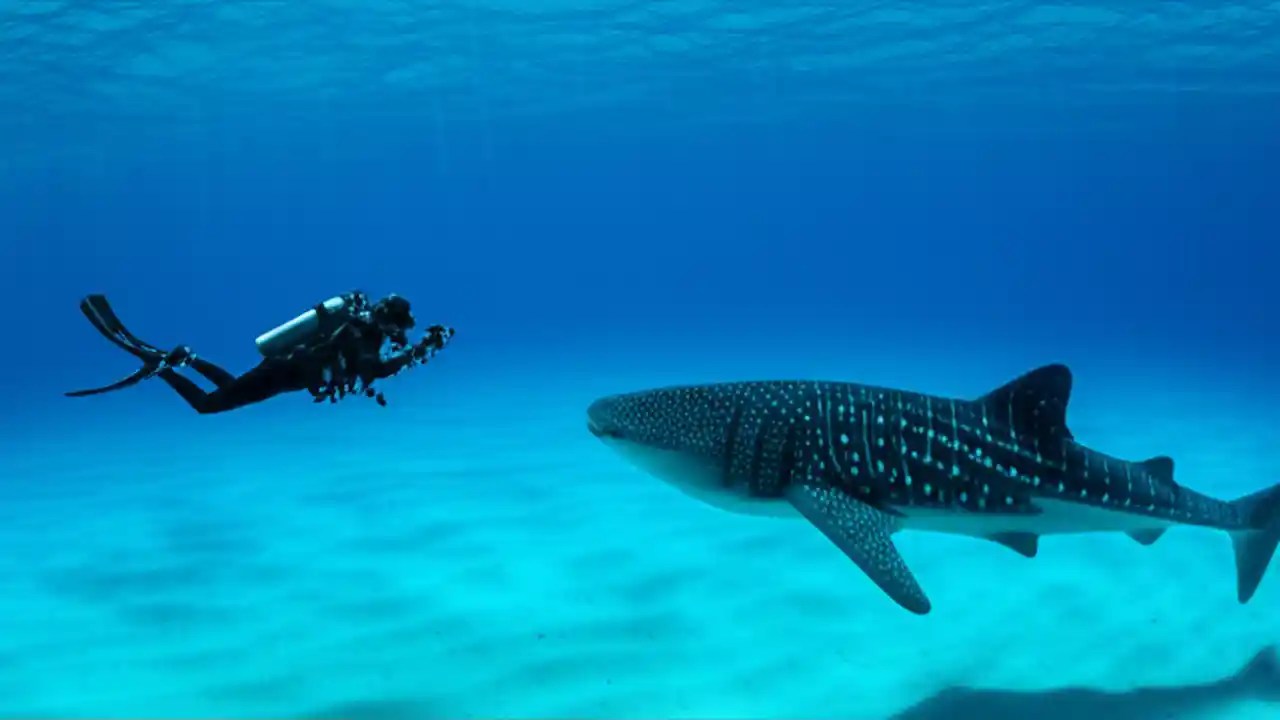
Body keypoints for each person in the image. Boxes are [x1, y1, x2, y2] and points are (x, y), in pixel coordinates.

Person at [66, 291, 454, 414]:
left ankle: (186, 359)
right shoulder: (362, 335)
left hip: (285, 371)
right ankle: (161, 366)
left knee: (233, 389)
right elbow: (379, 371)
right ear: (390, 322)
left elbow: (372, 367)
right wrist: (420, 351)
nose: (399, 335)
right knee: (208, 406)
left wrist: (417, 351)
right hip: (285, 374)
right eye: (401, 328)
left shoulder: (359, 327)